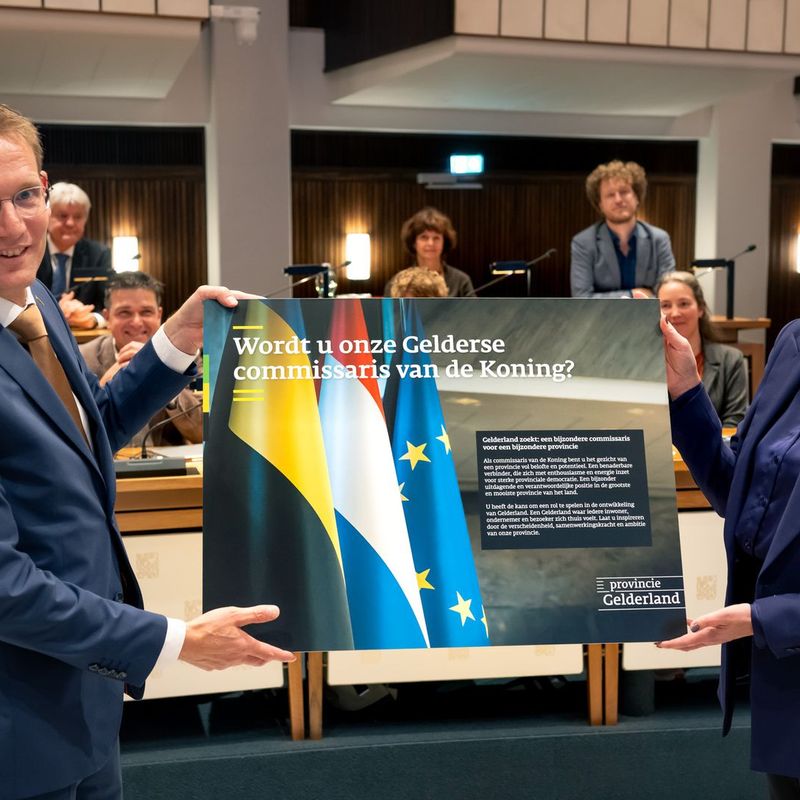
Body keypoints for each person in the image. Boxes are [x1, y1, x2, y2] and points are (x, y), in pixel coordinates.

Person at [0, 104, 295, 800]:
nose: (11, 228)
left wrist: (176, 343)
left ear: (46, 186)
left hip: (83, 700)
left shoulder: (35, 296)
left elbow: (77, 434)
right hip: (15, 726)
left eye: (23, 196)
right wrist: (175, 642)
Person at [658, 313, 800, 797]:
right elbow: (739, 494)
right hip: (784, 669)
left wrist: (766, 618)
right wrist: (686, 391)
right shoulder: (794, 340)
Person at [80, 271, 203, 448]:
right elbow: (70, 435)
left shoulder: (187, 357)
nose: (137, 322)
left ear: (159, 314)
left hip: (168, 472)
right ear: (107, 317)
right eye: (124, 313)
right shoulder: (82, 358)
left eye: (146, 312)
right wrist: (103, 391)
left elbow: (203, 432)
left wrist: (166, 381)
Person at [570, 160, 675, 298]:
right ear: (600, 204)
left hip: (650, 318)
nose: (618, 200)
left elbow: (668, 294)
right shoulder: (583, 242)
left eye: (624, 192)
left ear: (637, 197)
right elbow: (581, 297)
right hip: (602, 319)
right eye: (610, 195)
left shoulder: (659, 239)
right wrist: (633, 294)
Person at [656, 270, 747, 427]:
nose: (675, 313)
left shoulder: (731, 359)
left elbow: (735, 423)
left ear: (700, 309)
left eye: (684, 304)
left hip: (713, 450)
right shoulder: (649, 362)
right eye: (665, 305)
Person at [36, 181, 114, 329]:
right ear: (47, 216)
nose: (70, 223)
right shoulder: (28, 250)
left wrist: (92, 318)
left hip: (83, 339)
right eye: (63, 216)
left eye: (78, 217)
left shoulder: (98, 254)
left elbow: (108, 304)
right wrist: (56, 311)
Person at [387, 207, 476, 297]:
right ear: (414, 242)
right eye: (424, 237)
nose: (430, 243)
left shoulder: (461, 281)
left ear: (444, 242)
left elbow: (474, 311)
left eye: (436, 238)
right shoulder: (398, 283)